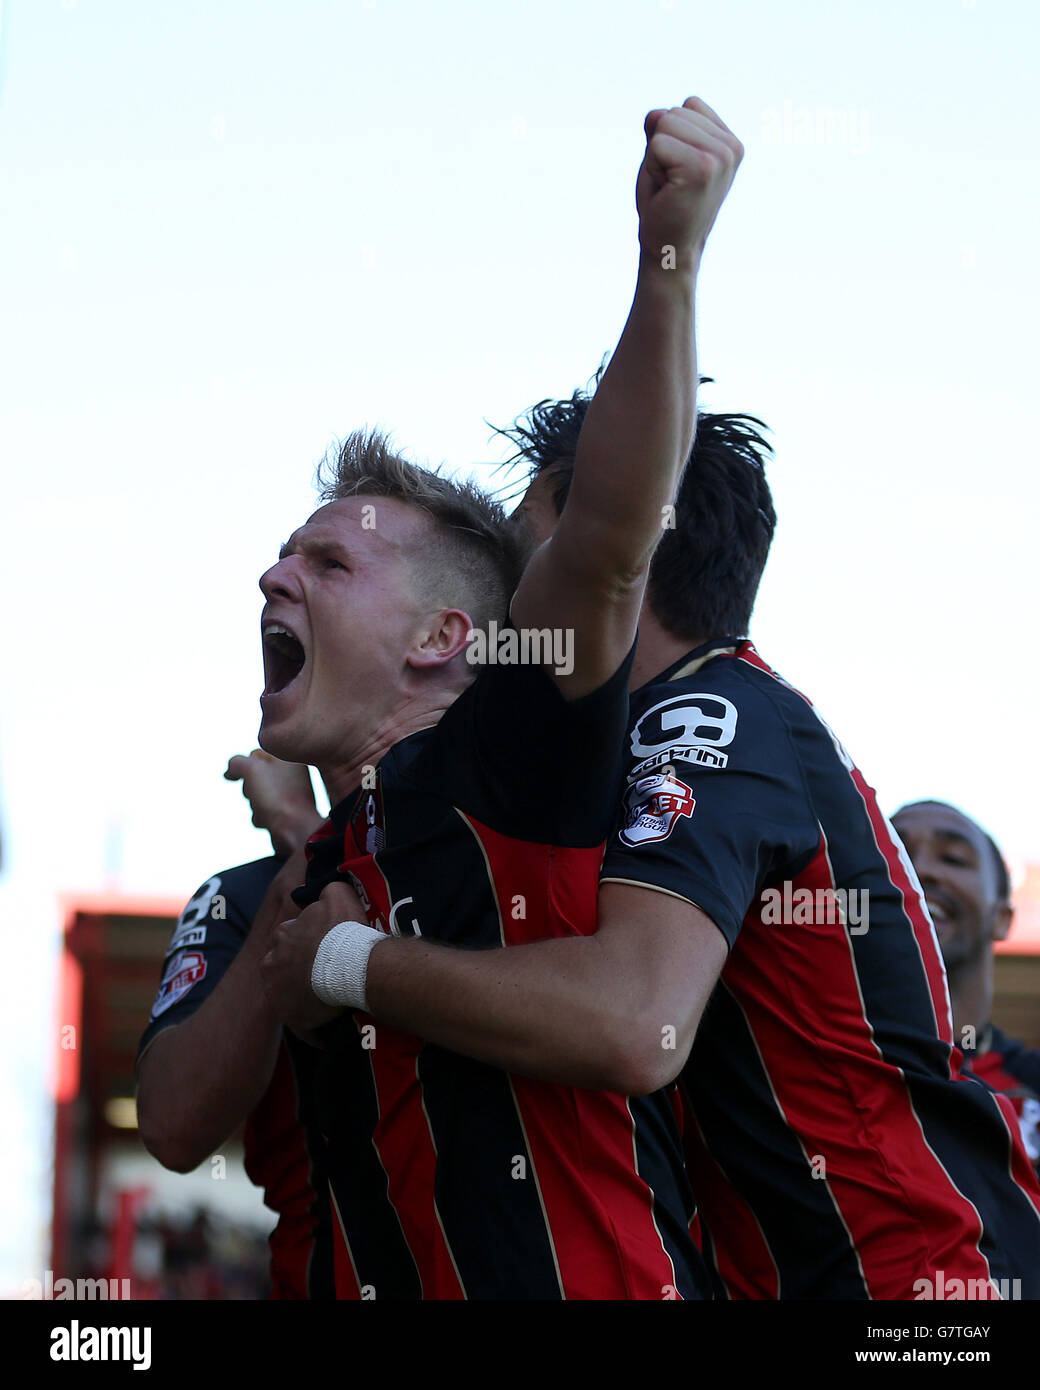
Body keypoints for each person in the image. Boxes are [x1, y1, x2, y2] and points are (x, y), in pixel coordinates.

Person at [269, 396, 1040, 1301]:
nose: (518, 576)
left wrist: (347, 961)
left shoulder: (708, 710)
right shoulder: (664, 733)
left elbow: (637, 1024)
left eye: (530, 535)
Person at [167, 94, 744, 1300]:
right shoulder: (312, 864)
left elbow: (604, 539)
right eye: (285, 555)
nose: (274, 575)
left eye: (328, 562)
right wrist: (297, 865)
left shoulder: (508, 752)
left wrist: (666, 260)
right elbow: (173, 1120)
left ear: (445, 635)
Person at [136, 752, 330, 1298]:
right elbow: (172, 1126)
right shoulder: (239, 897)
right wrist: (294, 874)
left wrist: (300, 828)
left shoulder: (506, 843)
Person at [892, 800, 1040, 1167]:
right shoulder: (786, 1071)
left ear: (1002, 918)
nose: (919, 868)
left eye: (954, 858)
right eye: (892, 849)